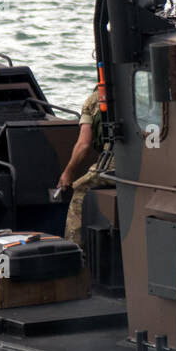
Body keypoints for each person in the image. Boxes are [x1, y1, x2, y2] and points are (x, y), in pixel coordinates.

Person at [57, 85, 113, 250]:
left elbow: (83, 146)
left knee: (80, 189)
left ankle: (75, 250)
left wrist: (68, 174)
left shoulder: (93, 100)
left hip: (114, 161)